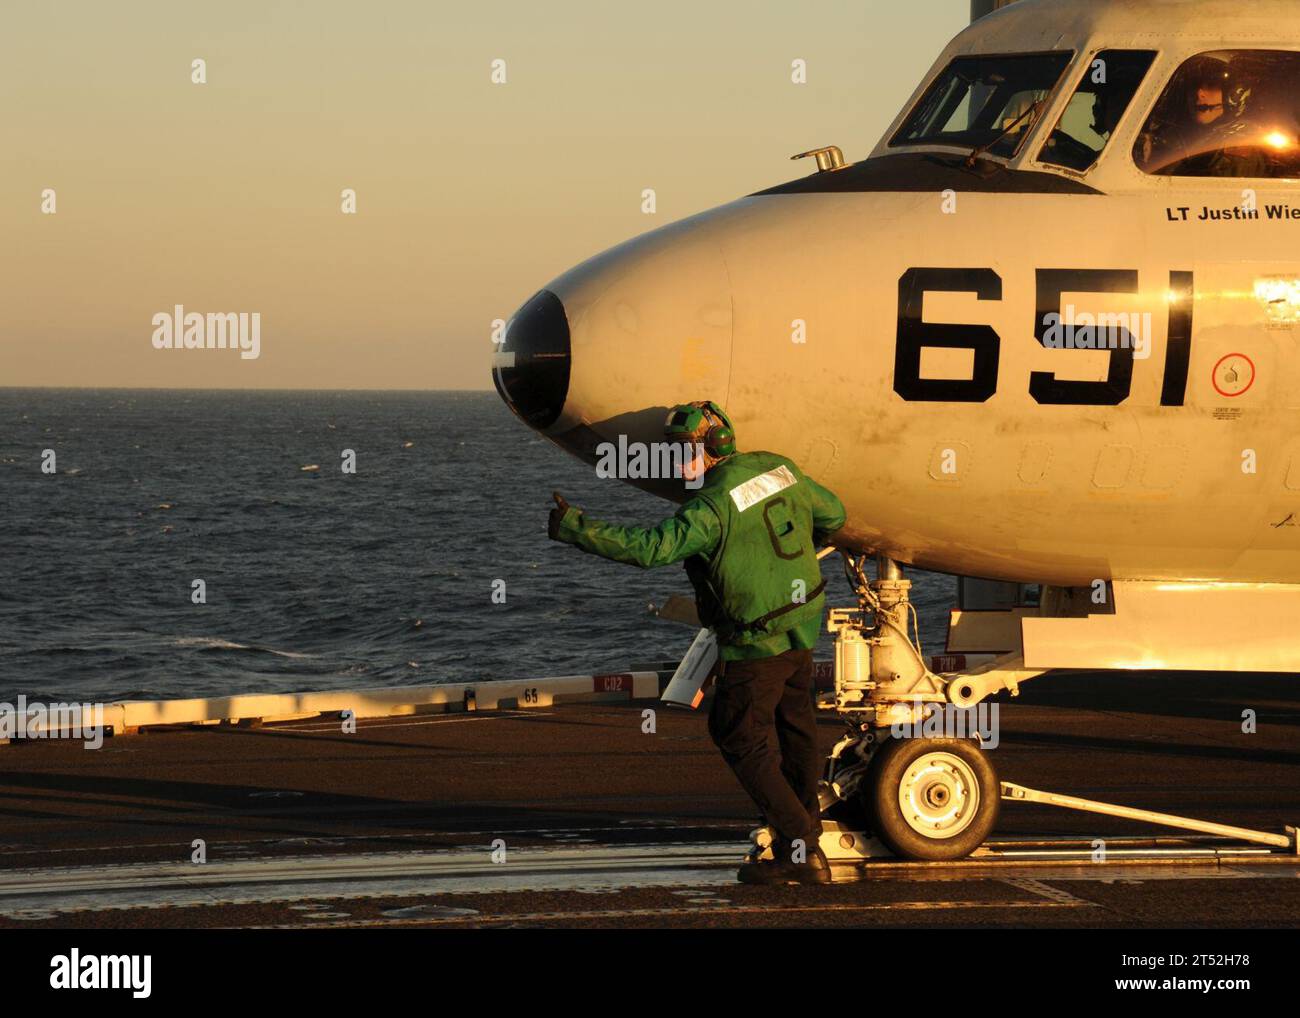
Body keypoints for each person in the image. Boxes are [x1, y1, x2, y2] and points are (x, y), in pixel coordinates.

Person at [547, 400, 846, 884]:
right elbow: (834, 514)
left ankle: (801, 845)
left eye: (684, 449)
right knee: (797, 732)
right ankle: (799, 840)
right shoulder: (779, 468)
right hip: (801, 627)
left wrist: (577, 528)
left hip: (755, 644)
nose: (677, 459)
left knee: (738, 736)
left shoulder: (708, 509)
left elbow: (650, 549)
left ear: (715, 445)